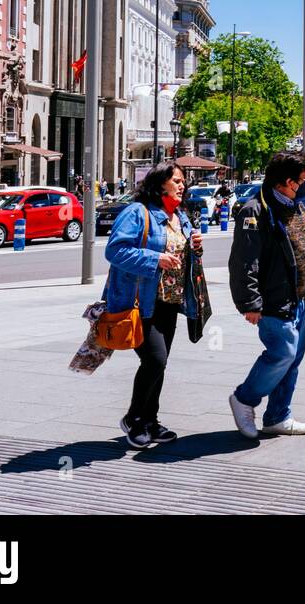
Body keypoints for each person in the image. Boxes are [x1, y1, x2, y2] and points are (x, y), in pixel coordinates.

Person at [228, 150, 305, 438]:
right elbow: (244, 261)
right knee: (282, 354)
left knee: (293, 358)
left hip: (297, 300)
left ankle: (278, 416)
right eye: (302, 180)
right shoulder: (255, 211)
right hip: (273, 299)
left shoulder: (300, 205)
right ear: (284, 182)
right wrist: (250, 303)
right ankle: (244, 399)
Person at [102, 161, 203, 449]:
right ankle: (134, 419)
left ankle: (150, 421)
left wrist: (195, 245)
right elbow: (115, 250)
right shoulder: (137, 213)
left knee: (159, 364)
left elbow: (181, 254)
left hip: (169, 301)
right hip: (139, 302)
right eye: (176, 181)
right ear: (159, 184)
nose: (182, 185)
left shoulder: (179, 217)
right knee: (155, 360)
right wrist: (154, 259)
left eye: (183, 181)